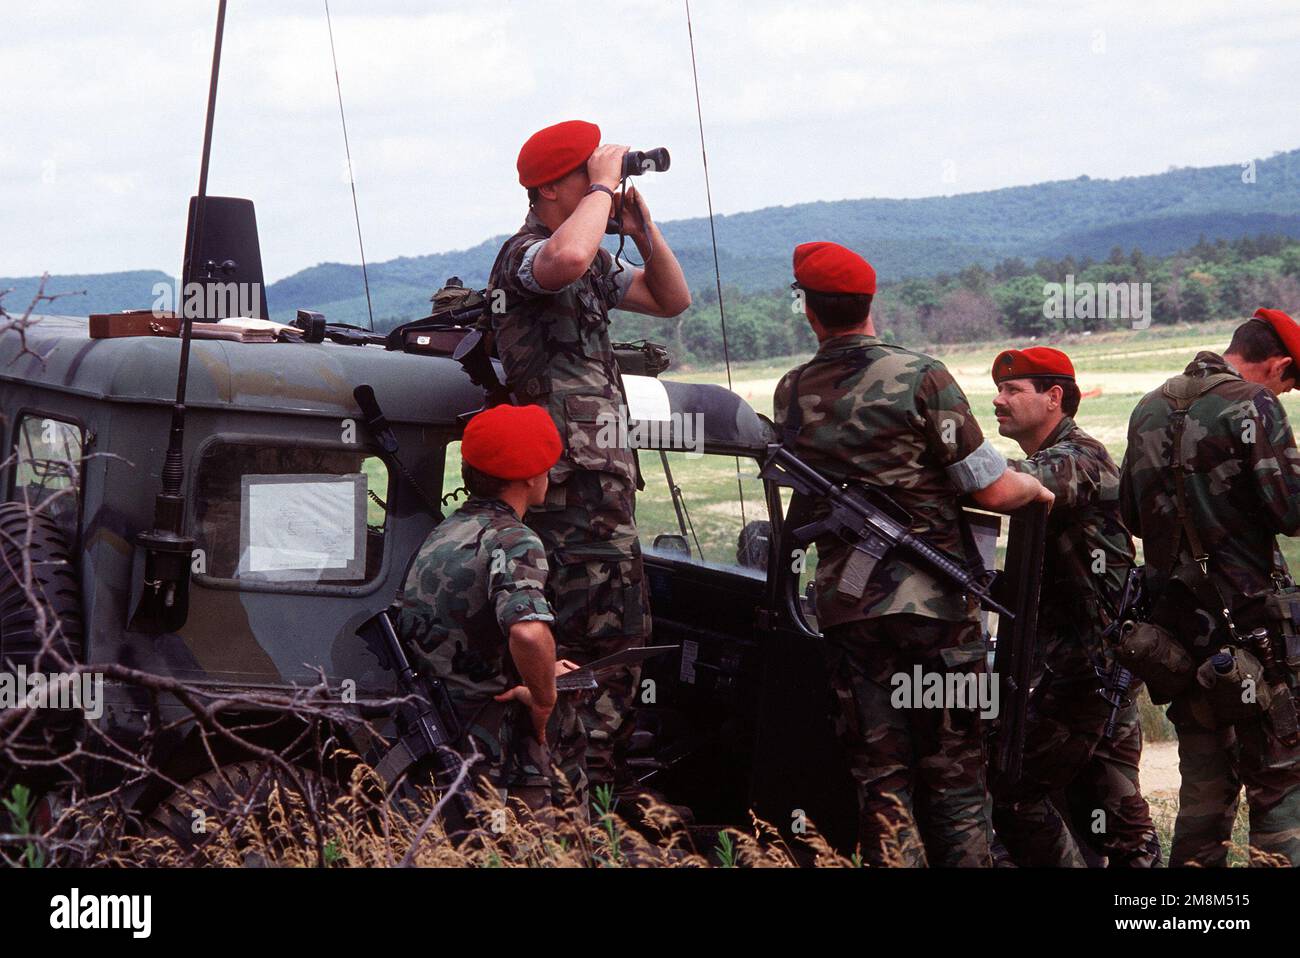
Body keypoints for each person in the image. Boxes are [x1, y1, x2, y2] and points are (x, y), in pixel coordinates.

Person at [772, 241, 1052, 866]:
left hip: (850, 612)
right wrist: (1036, 486)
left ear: (809, 311)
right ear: (871, 304)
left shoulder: (792, 391)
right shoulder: (921, 376)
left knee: (881, 781)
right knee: (956, 774)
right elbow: (990, 486)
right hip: (936, 612)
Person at [486, 119, 691, 791]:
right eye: (588, 175)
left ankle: (593, 801)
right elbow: (563, 262)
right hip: (561, 501)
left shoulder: (595, 257)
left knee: (619, 656)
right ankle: (559, 805)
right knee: (571, 661)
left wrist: (641, 230)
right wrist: (602, 187)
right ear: (551, 188)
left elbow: (670, 299)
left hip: (606, 504)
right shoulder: (524, 254)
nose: (609, 183)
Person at [1119, 307, 1300, 865]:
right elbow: (1289, 509)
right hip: (1252, 629)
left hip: (1176, 636)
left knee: (1202, 786)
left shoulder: (1147, 407)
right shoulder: (1253, 402)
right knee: (1279, 784)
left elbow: (1130, 513)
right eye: (1292, 384)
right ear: (1280, 365)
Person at [988, 346, 1159, 867]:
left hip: (1087, 671)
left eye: (1013, 391)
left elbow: (1008, 486)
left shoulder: (1077, 458)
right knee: (1111, 812)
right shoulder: (1057, 457)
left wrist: (942, 461)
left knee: (1011, 789)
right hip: (1089, 667)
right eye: (999, 389)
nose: (998, 400)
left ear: (1054, 398)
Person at [394, 404, 586, 816]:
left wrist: (542, 669)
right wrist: (543, 697)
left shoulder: (447, 530)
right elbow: (528, 632)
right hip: (494, 739)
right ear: (532, 477)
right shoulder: (515, 539)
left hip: (446, 727)